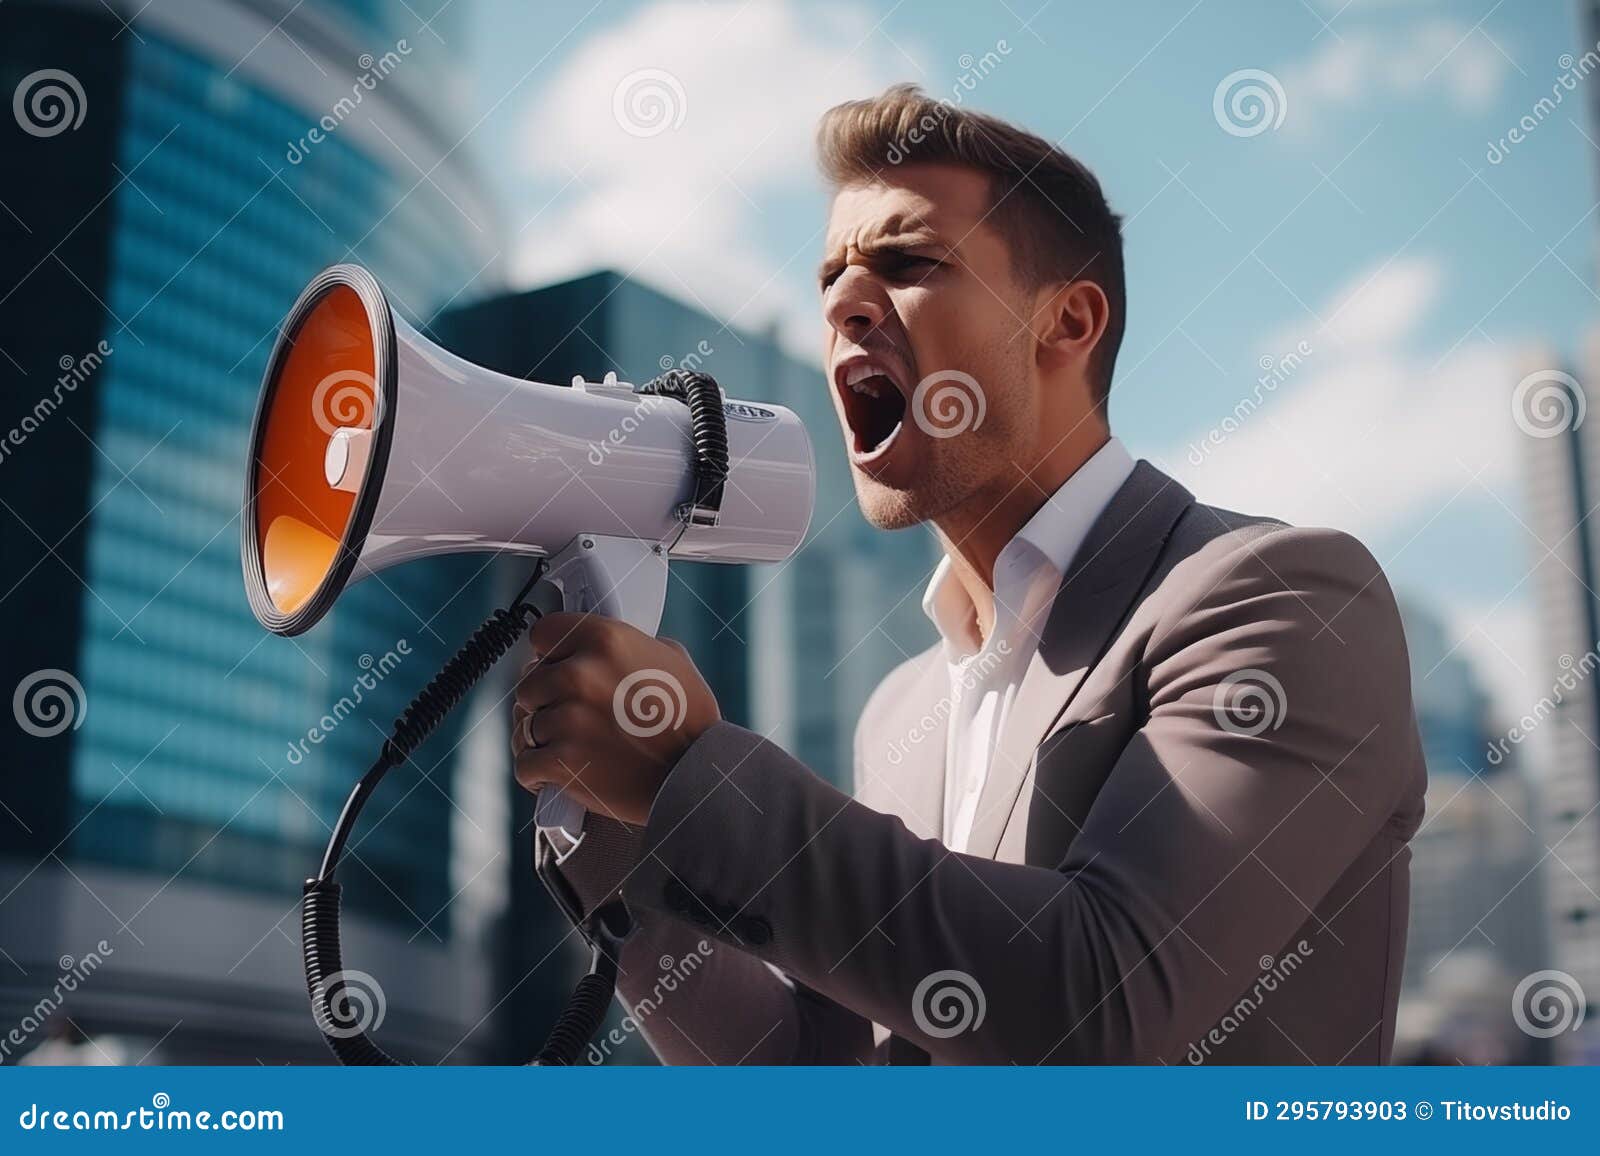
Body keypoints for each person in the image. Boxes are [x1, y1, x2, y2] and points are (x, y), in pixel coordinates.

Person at [511, 84, 1426, 1065]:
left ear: (1066, 323)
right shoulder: (900, 711)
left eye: (907, 262)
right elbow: (819, 1077)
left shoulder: (1277, 599)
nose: (841, 302)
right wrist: (625, 845)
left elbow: (1103, 1005)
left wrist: (693, 775)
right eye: (829, 276)